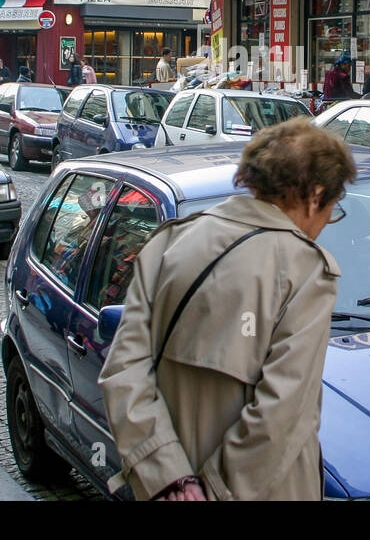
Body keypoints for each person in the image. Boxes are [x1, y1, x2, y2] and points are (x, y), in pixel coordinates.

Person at [99, 116, 356, 501]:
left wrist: (170, 478)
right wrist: (214, 490)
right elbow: (283, 411)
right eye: (331, 208)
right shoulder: (305, 270)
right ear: (316, 194)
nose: (325, 223)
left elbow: (123, 370)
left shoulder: (170, 242)